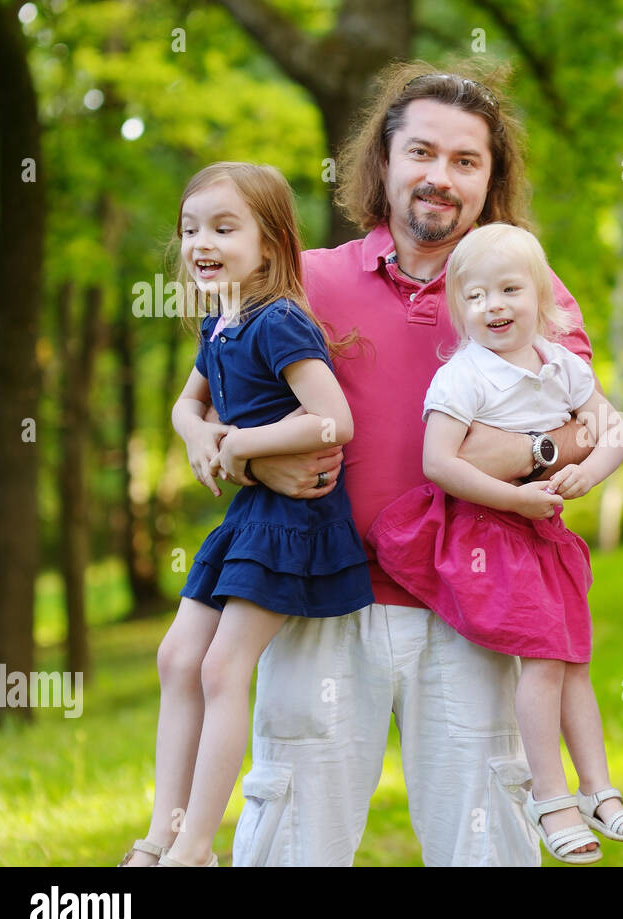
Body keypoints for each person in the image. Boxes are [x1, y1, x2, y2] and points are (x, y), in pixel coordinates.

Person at [221, 66, 598, 866]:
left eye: (467, 160)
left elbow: (580, 429)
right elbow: (224, 417)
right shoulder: (306, 281)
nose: (441, 176)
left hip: (475, 601)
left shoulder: (525, 287)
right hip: (322, 593)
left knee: (488, 832)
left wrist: (519, 453)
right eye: (421, 151)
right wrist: (257, 469)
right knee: (292, 831)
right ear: (383, 164)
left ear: (491, 181)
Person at [365, 224, 623, 864]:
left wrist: (589, 472)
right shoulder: (464, 377)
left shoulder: (561, 365)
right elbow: (439, 463)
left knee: (574, 656)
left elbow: (611, 429)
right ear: (458, 309)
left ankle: (600, 790)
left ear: (541, 296)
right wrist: (516, 497)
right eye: (474, 296)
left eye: (509, 290)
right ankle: (552, 801)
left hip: (541, 527)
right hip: (485, 530)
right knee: (548, 659)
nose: (493, 306)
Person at [119, 162, 374, 867]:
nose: (201, 242)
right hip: (251, 516)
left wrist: (240, 444)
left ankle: (195, 847)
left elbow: (334, 420)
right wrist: (199, 434)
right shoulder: (221, 320)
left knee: (222, 669)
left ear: (270, 246)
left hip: (294, 522)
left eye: (224, 228)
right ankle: (161, 832)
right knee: (177, 656)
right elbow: (184, 403)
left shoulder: (278, 321)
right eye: (191, 228)